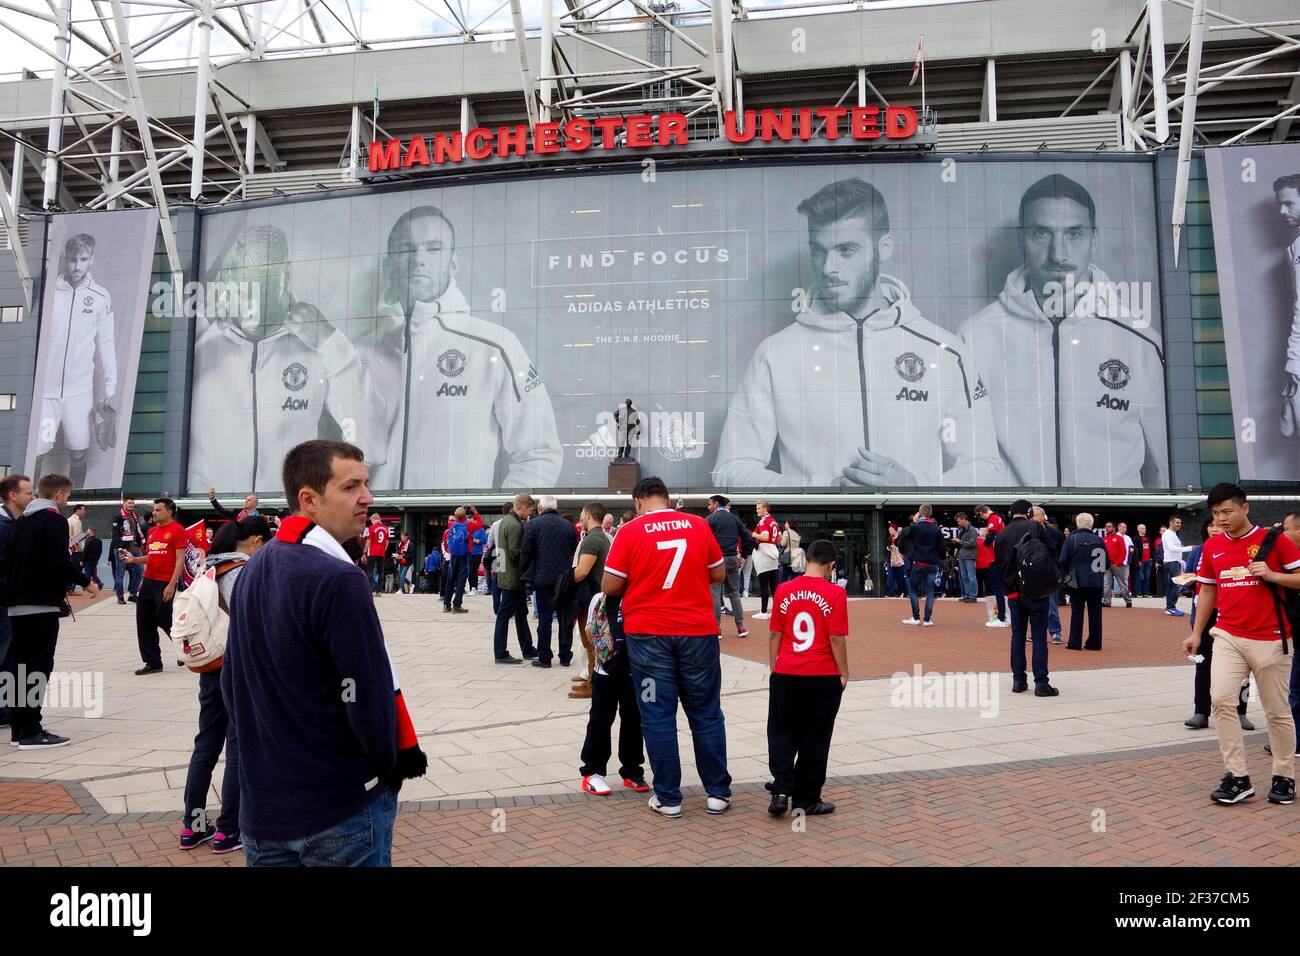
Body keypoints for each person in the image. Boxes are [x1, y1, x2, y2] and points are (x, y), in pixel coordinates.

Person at [714, 178, 1000, 488]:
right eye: (819, 251)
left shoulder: (945, 350)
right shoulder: (776, 354)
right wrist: (822, 490)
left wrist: (916, 486)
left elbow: (986, 467)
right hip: (816, 534)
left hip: (912, 533)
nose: (828, 268)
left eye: (846, 250)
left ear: (884, 247)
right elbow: (731, 469)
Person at [223, 439, 427, 866]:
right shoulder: (339, 578)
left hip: (264, 810)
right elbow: (366, 692)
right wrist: (384, 767)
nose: (368, 497)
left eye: (366, 484)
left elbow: (233, 685)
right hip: (338, 809)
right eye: (351, 487)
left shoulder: (253, 569)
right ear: (309, 500)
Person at [958, 174, 1168, 488]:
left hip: (1110, 527)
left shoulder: (1141, 342)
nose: (1059, 254)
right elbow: (965, 454)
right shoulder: (974, 336)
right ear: (1021, 239)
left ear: (1095, 238)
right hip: (1016, 526)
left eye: (1075, 233)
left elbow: (1164, 468)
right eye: (1042, 233)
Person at [359, 206, 562, 491]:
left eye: (433, 249)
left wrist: (500, 520)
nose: (419, 260)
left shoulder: (495, 345)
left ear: (453, 264)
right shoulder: (357, 355)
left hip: (459, 526)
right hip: (369, 528)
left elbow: (540, 451)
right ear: (388, 265)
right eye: (407, 249)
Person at [189, 224, 386, 493]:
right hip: (210, 512)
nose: (252, 305)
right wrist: (199, 328)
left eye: (262, 287)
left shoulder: (318, 345)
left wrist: (331, 343)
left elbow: (371, 445)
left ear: (285, 275)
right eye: (244, 288)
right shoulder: (200, 345)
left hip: (289, 515)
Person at [601, 476, 729, 819]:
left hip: (648, 636)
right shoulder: (699, 525)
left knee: (657, 715)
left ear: (638, 501)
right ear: (668, 498)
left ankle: (669, 797)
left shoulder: (630, 531)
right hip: (698, 632)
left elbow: (610, 584)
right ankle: (717, 793)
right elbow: (717, 574)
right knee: (706, 712)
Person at [1184, 483, 1296, 806]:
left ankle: (1284, 775)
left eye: (1227, 512)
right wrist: (1196, 633)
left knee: (1276, 711)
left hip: (1272, 637)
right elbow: (1207, 591)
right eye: (1216, 513)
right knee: (1219, 699)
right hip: (1228, 635)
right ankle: (1237, 776)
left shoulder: (1276, 541)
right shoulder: (1213, 547)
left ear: (1245, 508)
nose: (1221, 519)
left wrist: (1274, 575)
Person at [179, 514, 271, 856]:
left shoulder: (203, 571)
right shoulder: (243, 571)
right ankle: (228, 831)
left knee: (205, 744)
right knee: (236, 747)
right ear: (253, 542)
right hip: (238, 668)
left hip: (209, 665)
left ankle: (193, 825)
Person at [3, 473, 98, 748]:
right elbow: (59, 561)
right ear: (58, 495)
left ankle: (20, 730)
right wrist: (86, 582)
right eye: (67, 496)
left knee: (20, 667)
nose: (67, 501)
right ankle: (32, 731)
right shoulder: (54, 520)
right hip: (40, 604)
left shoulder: (20, 522)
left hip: (17, 605)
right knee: (39, 667)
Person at [765, 538, 850, 817]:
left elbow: (775, 633)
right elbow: (836, 637)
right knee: (815, 736)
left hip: (787, 671)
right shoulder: (835, 593)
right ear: (831, 565)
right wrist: (844, 672)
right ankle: (806, 798)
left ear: (807, 560)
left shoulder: (783, 589)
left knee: (781, 731)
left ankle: (780, 790)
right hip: (821, 673)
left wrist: (774, 666)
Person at [33, 235, 117, 489]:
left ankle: (75, 498)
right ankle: (32, 500)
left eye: (83, 259)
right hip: (46, 392)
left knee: (79, 450)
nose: (77, 266)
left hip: (79, 392)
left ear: (91, 260)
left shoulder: (101, 296)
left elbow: (107, 341)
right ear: (65, 260)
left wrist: (111, 387)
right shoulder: (49, 293)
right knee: (38, 450)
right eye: (72, 260)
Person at [576, 503, 646, 787]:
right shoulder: (603, 598)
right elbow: (592, 633)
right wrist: (604, 659)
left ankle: (632, 769)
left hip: (638, 667)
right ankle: (592, 771)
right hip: (609, 669)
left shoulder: (643, 596)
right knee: (601, 718)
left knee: (634, 719)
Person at [1182, 515, 1253, 733]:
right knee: (1203, 663)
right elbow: (1197, 580)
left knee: (1243, 667)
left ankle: (1241, 711)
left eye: (1217, 524)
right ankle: (1201, 711)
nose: (1214, 528)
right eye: (1210, 524)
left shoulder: (1242, 546)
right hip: (1206, 613)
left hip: (1234, 613)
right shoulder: (1200, 550)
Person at [994, 499, 1058, 697]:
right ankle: (1041, 682)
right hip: (1035, 589)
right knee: (1039, 636)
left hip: (1013, 590)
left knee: (1018, 636)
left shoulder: (1001, 534)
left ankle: (1019, 680)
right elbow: (1052, 550)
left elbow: (999, 563)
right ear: (1029, 512)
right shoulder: (1035, 527)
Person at [118, 498, 186, 675]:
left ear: (169, 511)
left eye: (158, 510)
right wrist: (134, 559)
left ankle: (184, 648)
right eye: (154, 510)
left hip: (165, 582)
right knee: (144, 621)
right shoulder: (153, 531)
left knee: (165, 619)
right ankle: (153, 662)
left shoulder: (178, 531)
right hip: (148, 582)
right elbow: (152, 556)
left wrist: (172, 584)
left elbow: (180, 560)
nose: (154, 513)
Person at [520, 495, 579, 668]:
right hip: (565, 580)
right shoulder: (568, 526)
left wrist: (524, 574)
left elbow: (526, 552)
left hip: (542, 580)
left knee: (544, 619)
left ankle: (545, 657)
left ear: (540, 508)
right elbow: (577, 550)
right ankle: (565, 656)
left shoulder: (533, 525)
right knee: (564, 619)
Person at [0, 473, 34, 730]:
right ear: (13, 495)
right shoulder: (4, 526)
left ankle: (5, 709)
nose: (32, 497)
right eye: (28, 493)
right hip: (3, 603)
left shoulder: (14, 523)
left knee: (10, 658)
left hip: (9, 603)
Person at [493, 494, 537, 664]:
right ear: (524, 507)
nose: (530, 514)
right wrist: (530, 565)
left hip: (507, 575)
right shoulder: (515, 525)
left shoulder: (506, 521)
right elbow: (515, 552)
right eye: (530, 510)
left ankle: (527, 648)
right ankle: (500, 652)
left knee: (521, 613)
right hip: (513, 578)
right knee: (505, 614)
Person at [706, 495, 750, 638]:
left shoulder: (710, 519)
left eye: (710, 504)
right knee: (734, 593)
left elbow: (701, 537)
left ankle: (716, 629)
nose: (708, 506)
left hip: (715, 560)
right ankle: (741, 627)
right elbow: (748, 537)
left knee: (715, 594)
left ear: (716, 504)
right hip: (732, 558)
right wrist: (743, 555)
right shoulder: (734, 518)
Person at [1059, 513, 1105, 650]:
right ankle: (1095, 642)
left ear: (1077, 524)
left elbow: (1062, 560)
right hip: (1096, 581)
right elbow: (1106, 562)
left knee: (1077, 612)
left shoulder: (1071, 539)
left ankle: (1074, 641)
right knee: (1095, 613)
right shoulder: (1099, 540)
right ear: (1092, 524)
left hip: (1077, 581)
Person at [1277, 175, 1300, 430]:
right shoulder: (1294, 247)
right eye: (1279, 205)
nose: (1283, 211)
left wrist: (1294, 361)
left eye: (1289, 204)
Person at [897, 505, 942, 627]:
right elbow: (942, 548)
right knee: (930, 591)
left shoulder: (916, 527)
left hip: (918, 563)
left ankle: (916, 617)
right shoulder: (937, 529)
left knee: (913, 590)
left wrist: (914, 521)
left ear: (920, 513)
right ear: (930, 514)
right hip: (932, 563)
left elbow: (905, 534)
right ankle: (927, 619)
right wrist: (938, 557)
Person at [1034, 508, 1066, 642]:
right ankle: (1037, 632)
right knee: (1034, 605)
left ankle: (1055, 632)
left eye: (1034, 515)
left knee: (1052, 604)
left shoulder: (1055, 534)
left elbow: (1062, 554)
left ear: (1042, 517)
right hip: (1033, 572)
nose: (1032, 518)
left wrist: (1059, 569)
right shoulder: (1029, 532)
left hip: (1050, 572)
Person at [443, 506, 480, 613]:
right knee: (461, 580)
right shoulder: (469, 524)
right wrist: (475, 512)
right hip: (464, 554)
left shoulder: (451, 524)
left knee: (451, 579)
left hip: (453, 554)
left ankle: (446, 604)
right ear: (465, 516)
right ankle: (457, 605)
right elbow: (479, 525)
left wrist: (460, 511)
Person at [976, 505, 1008, 627]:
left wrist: (984, 540)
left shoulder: (993, 518)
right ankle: (1004, 616)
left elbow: (990, 537)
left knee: (997, 587)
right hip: (1000, 556)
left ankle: (1001, 618)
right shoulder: (998, 518)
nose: (981, 518)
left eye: (980, 515)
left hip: (995, 557)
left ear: (982, 512)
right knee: (1001, 588)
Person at [110, 496, 145, 604]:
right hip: (123, 548)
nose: (131, 505)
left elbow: (137, 531)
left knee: (140, 571)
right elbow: (115, 534)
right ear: (124, 503)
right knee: (120, 573)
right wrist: (120, 547)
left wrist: (141, 542)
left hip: (134, 548)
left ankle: (133, 594)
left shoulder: (134, 516)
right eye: (129, 503)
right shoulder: (118, 516)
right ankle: (120, 596)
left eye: (133, 503)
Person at [750, 500, 781, 619]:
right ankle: (776, 612)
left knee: (764, 585)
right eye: (756, 508)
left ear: (765, 509)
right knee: (774, 586)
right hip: (773, 551)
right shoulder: (773, 520)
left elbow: (765, 536)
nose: (757, 510)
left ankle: (763, 612)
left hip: (764, 553)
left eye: (759, 508)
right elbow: (779, 538)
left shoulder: (763, 521)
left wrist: (753, 534)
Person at [1161, 516, 1192, 615]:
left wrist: (1181, 547)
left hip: (1173, 561)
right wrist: (1190, 548)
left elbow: (1173, 547)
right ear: (1171, 522)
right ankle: (1171, 607)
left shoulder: (1172, 534)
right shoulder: (1169, 534)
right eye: (1177, 522)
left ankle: (1169, 607)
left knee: (1172, 585)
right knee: (1177, 585)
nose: (1179, 524)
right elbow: (1172, 548)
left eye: (1180, 522)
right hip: (1172, 562)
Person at [1101, 522, 1133, 609]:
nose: (1107, 528)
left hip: (1117, 565)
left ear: (1114, 528)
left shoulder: (1119, 538)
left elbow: (1123, 551)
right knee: (1106, 584)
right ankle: (1107, 602)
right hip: (1107, 565)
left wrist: (1119, 562)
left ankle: (1128, 601)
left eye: (1109, 526)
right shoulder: (1104, 538)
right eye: (1106, 526)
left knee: (1122, 583)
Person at [955, 512, 979, 603]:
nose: (958, 523)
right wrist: (957, 541)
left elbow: (973, 543)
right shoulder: (962, 529)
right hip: (962, 555)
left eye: (959, 521)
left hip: (969, 556)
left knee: (971, 576)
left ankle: (973, 596)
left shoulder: (972, 530)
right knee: (964, 576)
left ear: (964, 519)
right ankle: (967, 595)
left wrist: (959, 541)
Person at [364, 514, 390, 595]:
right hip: (381, 552)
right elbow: (387, 542)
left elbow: (368, 542)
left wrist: (364, 552)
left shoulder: (371, 528)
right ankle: (379, 591)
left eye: (371, 520)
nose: (371, 522)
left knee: (370, 571)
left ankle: (370, 590)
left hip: (372, 552)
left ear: (374, 519)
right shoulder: (386, 528)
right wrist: (383, 549)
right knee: (380, 572)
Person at [778, 520, 804, 585]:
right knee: (794, 577)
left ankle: (783, 592)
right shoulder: (797, 534)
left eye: (786, 523)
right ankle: (793, 591)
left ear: (789, 524)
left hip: (788, 557)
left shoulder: (786, 532)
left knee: (784, 577)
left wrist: (780, 540)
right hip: (795, 557)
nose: (785, 525)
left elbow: (783, 544)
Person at [1134, 523, 1153, 596]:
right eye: (1142, 528)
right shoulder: (1136, 538)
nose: (1144, 529)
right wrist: (1138, 560)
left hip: (1148, 560)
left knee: (1147, 577)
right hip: (1140, 561)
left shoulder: (1148, 538)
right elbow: (1135, 551)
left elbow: (1151, 548)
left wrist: (1151, 558)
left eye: (1145, 528)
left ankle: (1146, 592)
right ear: (1138, 529)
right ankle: (1138, 592)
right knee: (1139, 577)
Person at [469, 523, 487, 592]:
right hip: (468, 552)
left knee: (473, 570)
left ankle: (474, 587)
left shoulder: (481, 530)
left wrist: (474, 540)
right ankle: (471, 588)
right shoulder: (467, 528)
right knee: (469, 571)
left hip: (477, 553)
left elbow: (484, 540)